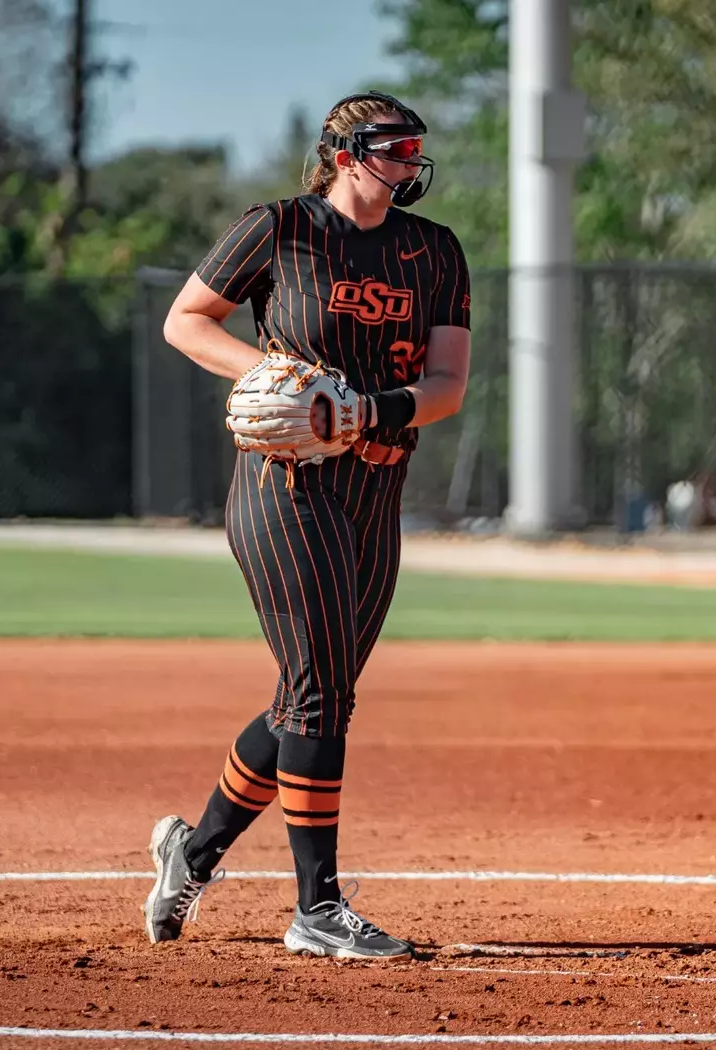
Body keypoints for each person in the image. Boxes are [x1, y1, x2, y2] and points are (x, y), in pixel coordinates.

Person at [142, 91, 472, 959]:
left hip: (377, 492)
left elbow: (447, 386)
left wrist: (369, 408)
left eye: (416, 148)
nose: (411, 161)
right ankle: (316, 909)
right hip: (284, 489)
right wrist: (275, 378)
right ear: (344, 153)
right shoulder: (280, 228)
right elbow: (186, 320)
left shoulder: (434, 251)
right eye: (395, 146)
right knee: (322, 693)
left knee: (309, 696)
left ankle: (194, 853)